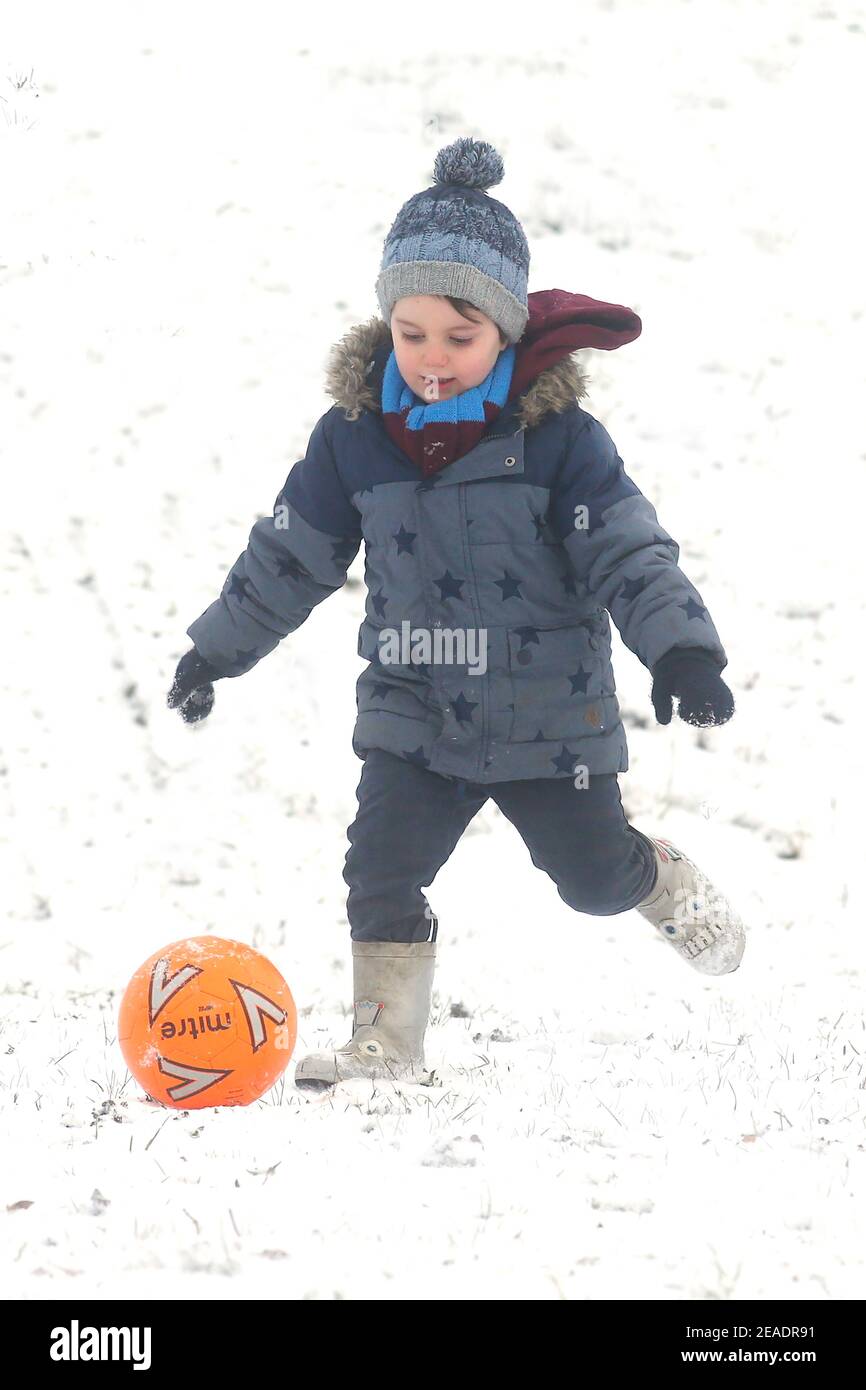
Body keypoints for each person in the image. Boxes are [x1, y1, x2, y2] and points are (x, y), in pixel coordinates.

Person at [167, 137, 745, 1092]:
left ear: (508, 334)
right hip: (416, 707)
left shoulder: (558, 442)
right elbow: (289, 556)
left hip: (548, 713)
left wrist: (682, 653)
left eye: (460, 336)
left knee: (592, 884)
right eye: (412, 331)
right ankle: (385, 1049)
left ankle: (656, 878)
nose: (433, 357)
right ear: (386, 323)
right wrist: (212, 655)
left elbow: (626, 550)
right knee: (380, 871)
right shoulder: (355, 439)